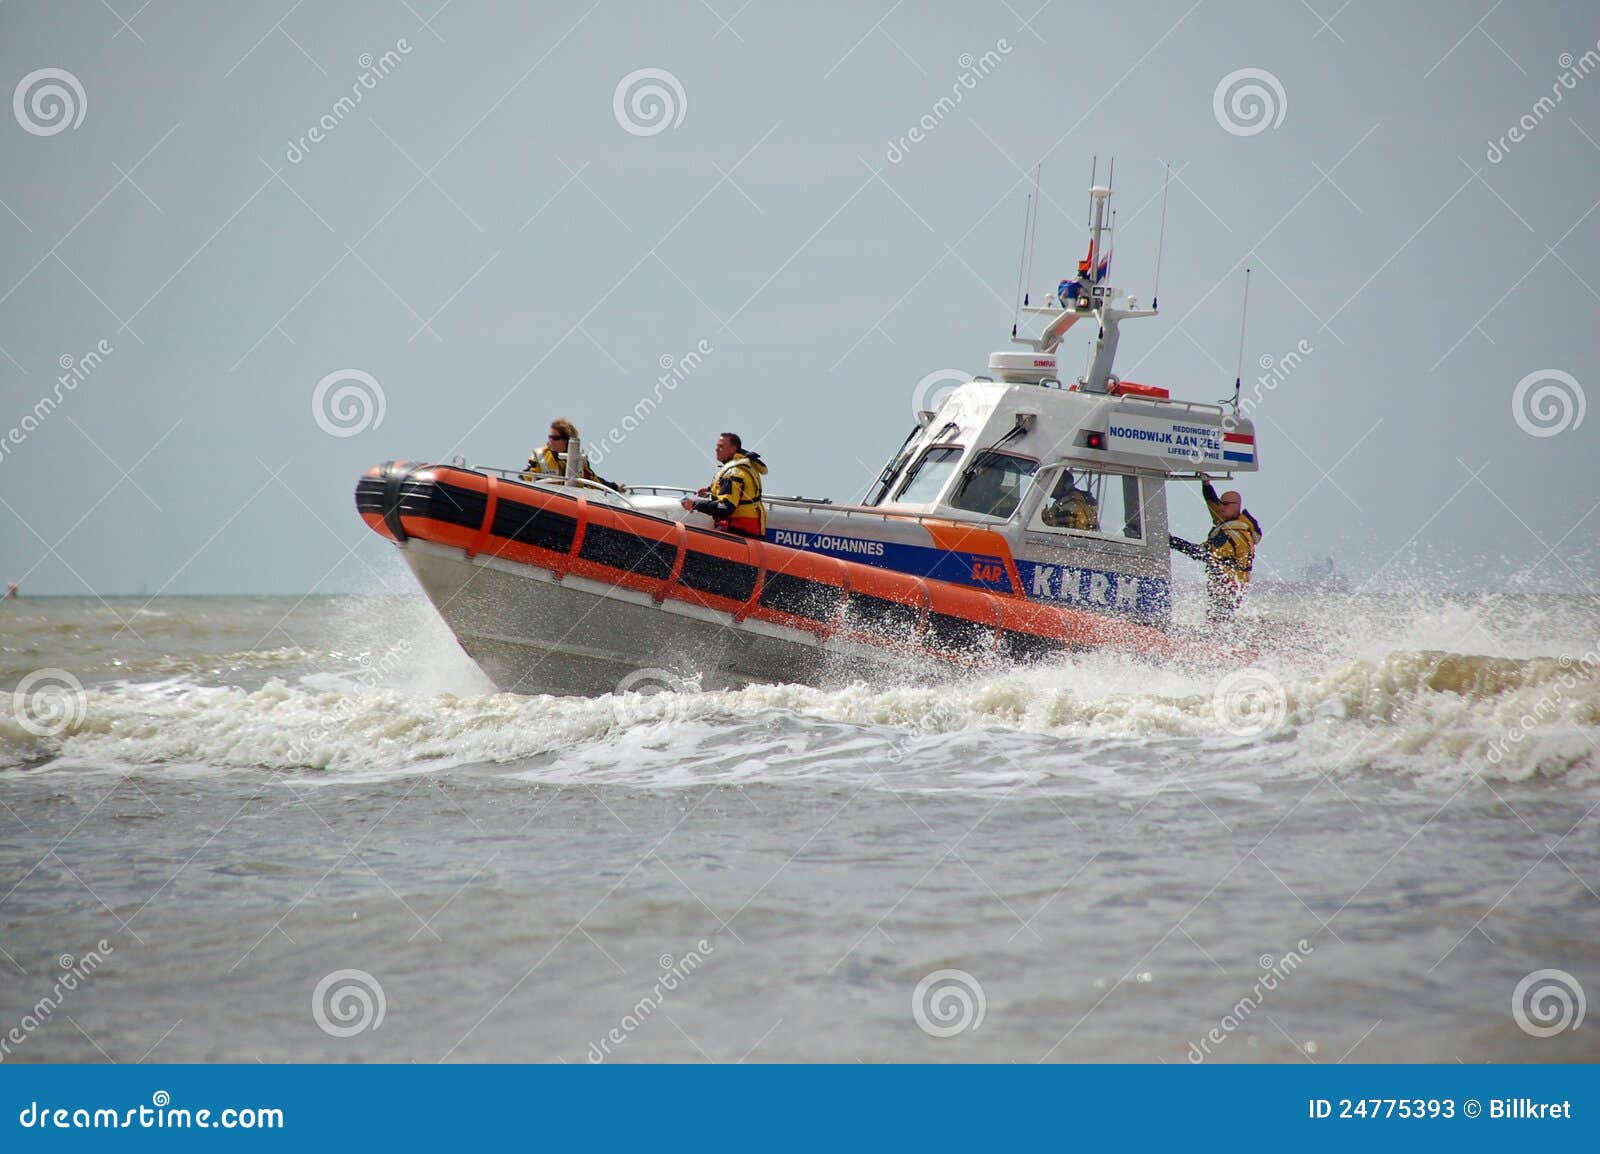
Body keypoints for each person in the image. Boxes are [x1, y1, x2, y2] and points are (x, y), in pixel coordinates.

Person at [1169, 475, 1262, 623]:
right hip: (1230, 584)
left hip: (1229, 585)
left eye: (1225, 504)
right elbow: (1212, 504)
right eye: (1220, 503)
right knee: (1217, 616)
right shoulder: (1231, 520)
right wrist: (1206, 485)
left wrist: (1173, 542)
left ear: (1236, 506)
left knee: (1217, 619)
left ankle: (1218, 637)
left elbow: (1203, 554)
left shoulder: (1232, 533)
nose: (1221, 507)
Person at [680, 432, 767, 538]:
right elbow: (736, 491)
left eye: (721, 446)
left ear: (733, 449)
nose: (716, 449)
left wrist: (695, 504)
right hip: (746, 530)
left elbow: (725, 507)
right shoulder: (744, 467)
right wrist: (710, 490)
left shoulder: (734, 473)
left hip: (739, 531)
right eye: (717, 446)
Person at [522, 418, 623, 491]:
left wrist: (614, 487)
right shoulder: (539, 455)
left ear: (567, 440)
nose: (551, 441)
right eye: (550, 437)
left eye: (555, 438)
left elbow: (592, 480)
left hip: (572, 502)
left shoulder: (578, 460)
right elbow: (525, 479)